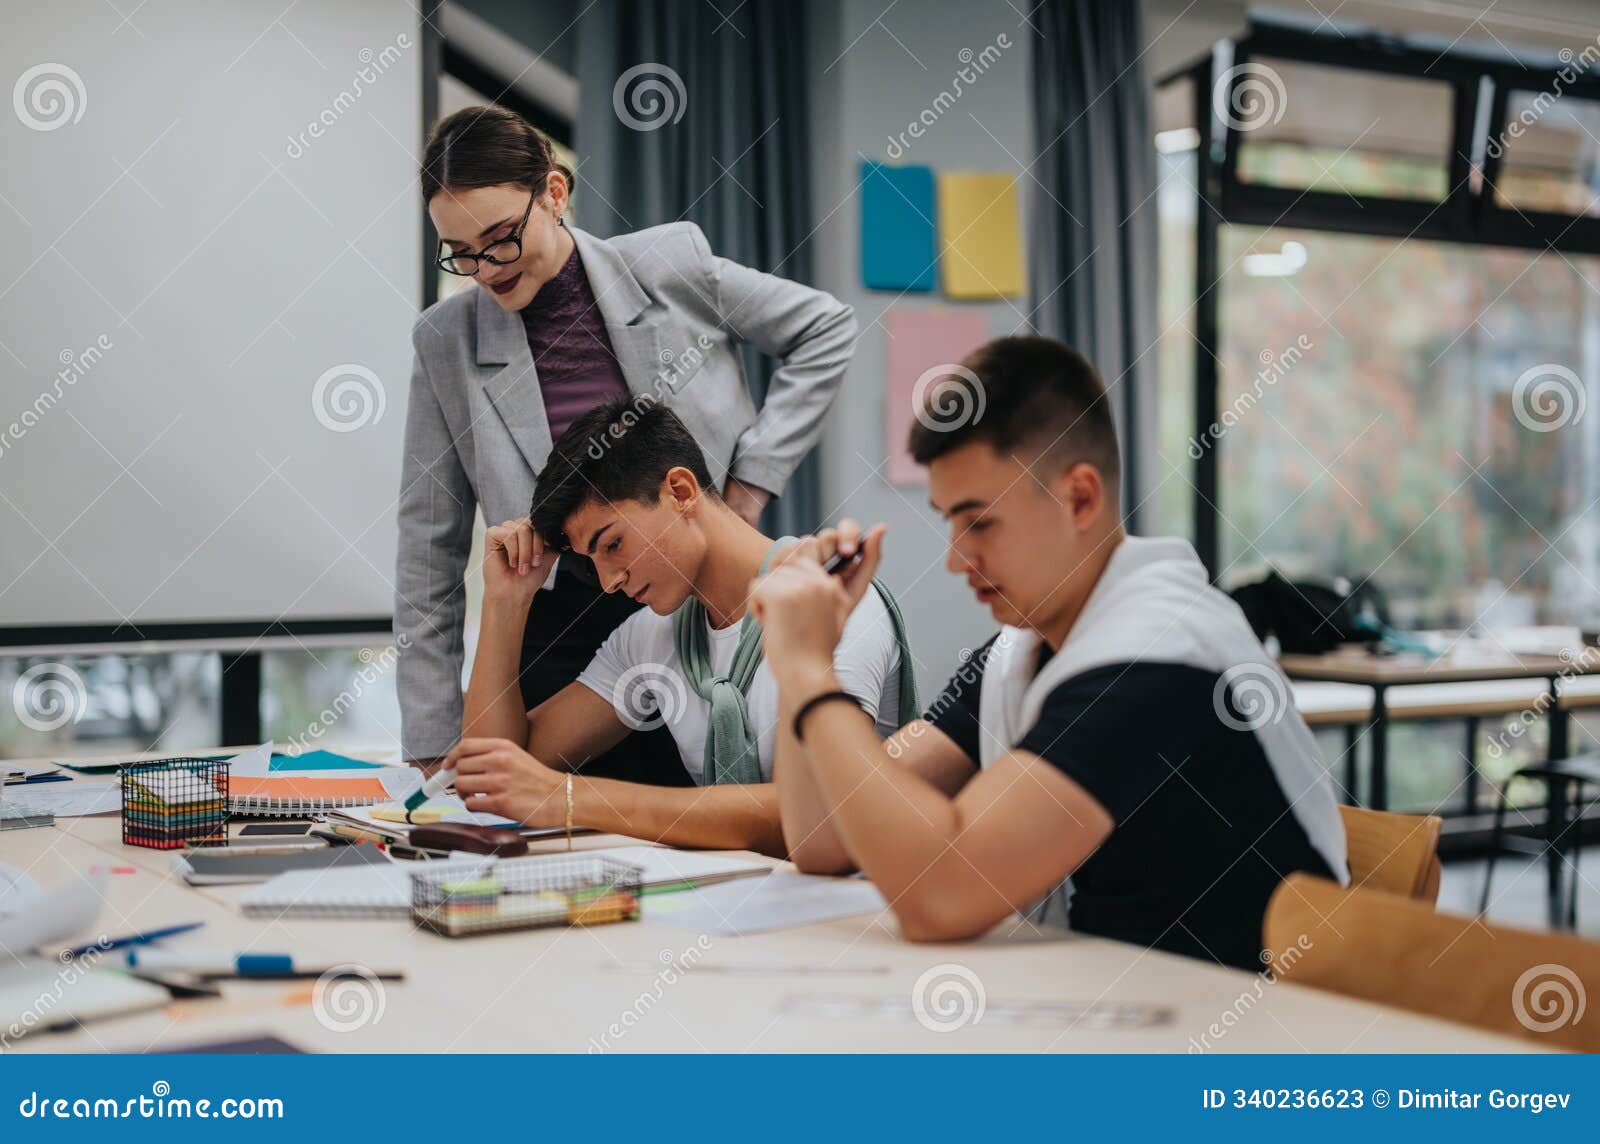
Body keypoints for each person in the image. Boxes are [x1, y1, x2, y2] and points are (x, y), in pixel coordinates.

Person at [752, 337, 1347, 970]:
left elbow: (941, 896)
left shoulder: (1157, 659)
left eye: (980, 523)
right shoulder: (1024, 652)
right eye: (950, 522)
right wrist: (810, 660)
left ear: (1081, 498)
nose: (957, 559)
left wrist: (811, 670)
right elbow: (822, 837)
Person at [395, 106, 856, 778]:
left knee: (723, 799)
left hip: (703, 593)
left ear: (554, 193)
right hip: (561, 624)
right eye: (460, 252)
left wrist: (752, 480)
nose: (484, 270)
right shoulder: (446, 341)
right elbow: (427, 547)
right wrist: (433, 738)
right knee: (551, 817)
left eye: (498, 239)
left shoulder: (670, 263)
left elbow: (825, 326)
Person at [444, 400, 916, 856]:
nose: (609, 582)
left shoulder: (834, 599)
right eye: (594, 562)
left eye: (612, 544)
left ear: (682, 492)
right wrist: (507, 603)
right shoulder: (651, 636)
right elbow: (498, 772)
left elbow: (807, 819)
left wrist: (568, 798)